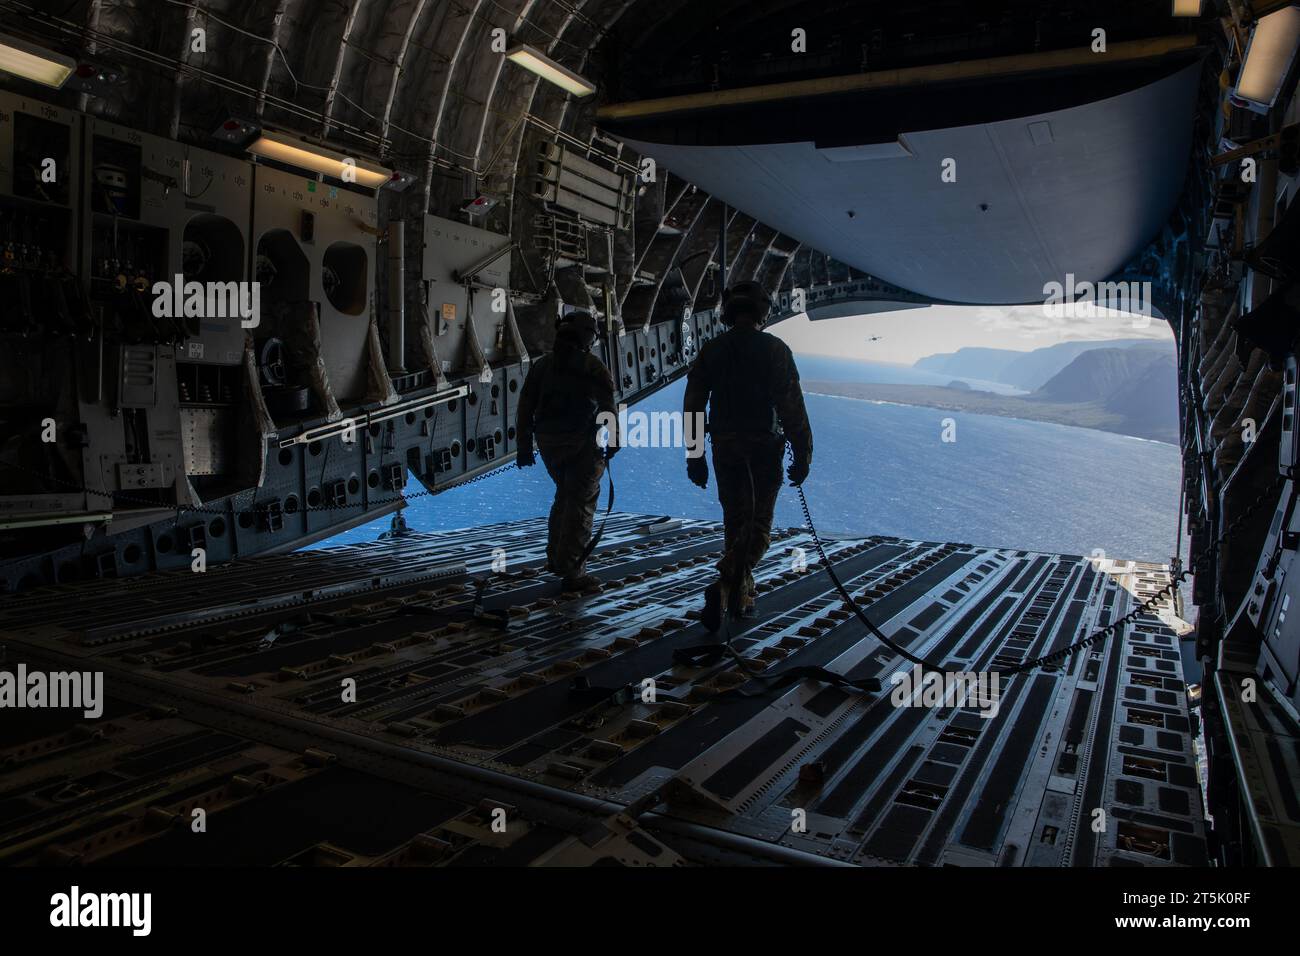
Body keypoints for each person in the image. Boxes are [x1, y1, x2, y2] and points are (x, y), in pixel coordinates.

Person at [684, 281, 813, 631]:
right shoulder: (775, 350)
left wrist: (694, 456)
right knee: (757, 529)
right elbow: (792, 409)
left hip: (724, 447)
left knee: (735, 521)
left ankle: (739, 596)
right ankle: (727, 582)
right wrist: (803, 456)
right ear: (762, 311)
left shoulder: (713, 349)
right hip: (762, 448)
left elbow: (694, 406)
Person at [516, 309, 618, 591]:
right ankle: (573, 572)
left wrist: (524, 448)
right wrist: (615, 440)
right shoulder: (593, 367)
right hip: (582, 446)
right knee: (581, 504)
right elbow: (608, 407)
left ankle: (557, 559)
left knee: (564, 496)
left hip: (549, 446)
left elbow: (525, 408)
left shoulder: (542, 366)